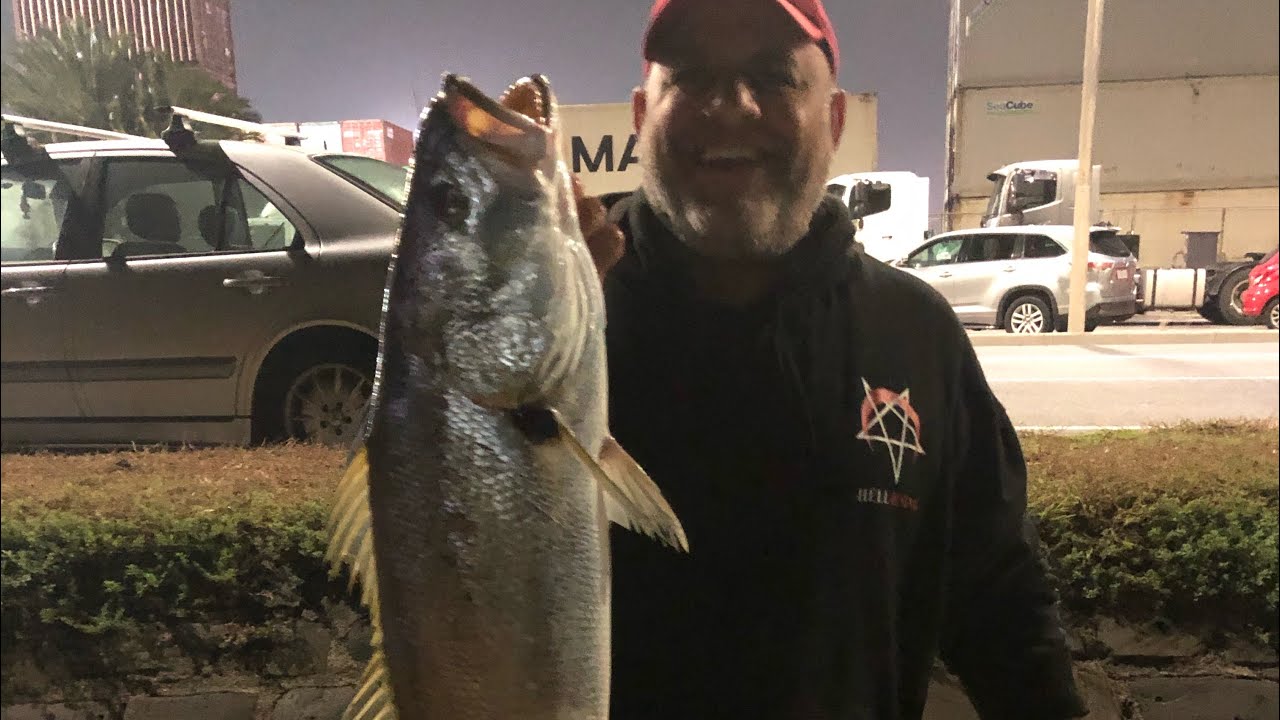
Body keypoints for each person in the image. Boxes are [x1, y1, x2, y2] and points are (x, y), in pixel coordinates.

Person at [571, 1, 1088, 718]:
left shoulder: (913, 332)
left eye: (774, 76)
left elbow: (997, 592)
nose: (731, 106)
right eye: (691, 76)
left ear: (835, 120)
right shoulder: (561, 322)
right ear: (640, 114)